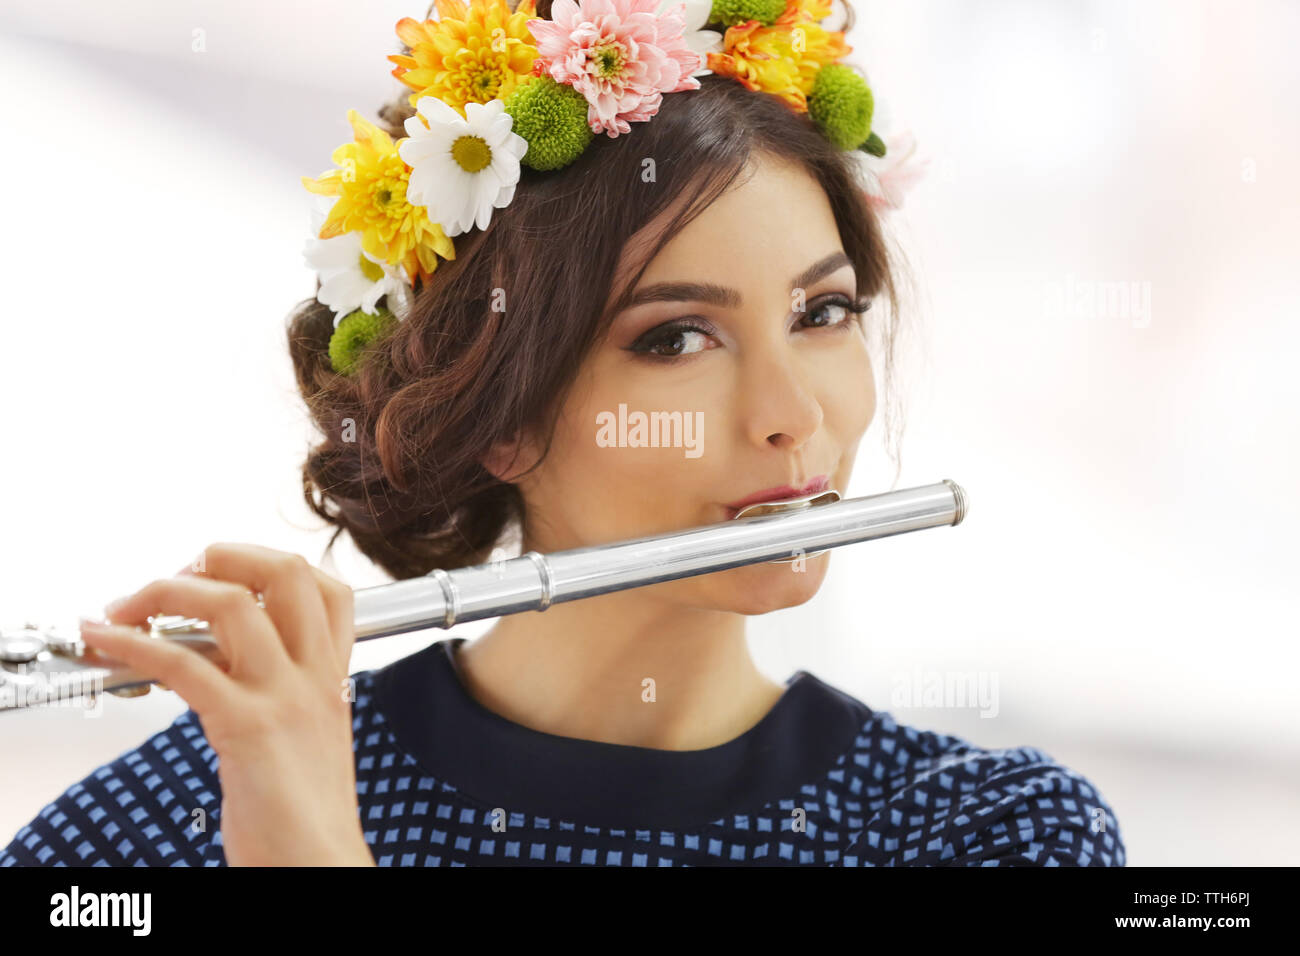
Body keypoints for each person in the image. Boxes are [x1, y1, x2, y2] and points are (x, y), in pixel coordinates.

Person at [2, 0, 1125, 867]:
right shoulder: (194, 809)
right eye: (677, 338)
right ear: (500, 416)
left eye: (820, 314)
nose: (793, 413)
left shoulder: (988, 833)